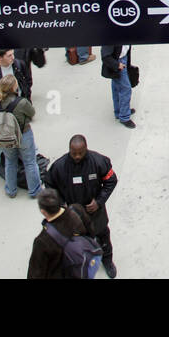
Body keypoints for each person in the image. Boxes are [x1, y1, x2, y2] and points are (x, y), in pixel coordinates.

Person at [46, 136, 119, 279]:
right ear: (69, 150)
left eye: (81, 153)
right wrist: (62, 205)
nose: (77, 156)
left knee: (103, 236)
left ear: (86, 148)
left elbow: (111, 180)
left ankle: (107, 260)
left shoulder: (98, 161)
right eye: (74, 153)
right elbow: (49, 186)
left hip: (95, 214)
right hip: (72, 216)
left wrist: (99, 202)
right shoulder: (59, 167)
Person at [27, 188, 92, 279]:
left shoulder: (42, 241)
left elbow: (36, 274)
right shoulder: (77, 210)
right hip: (80, 266)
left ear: (43, 212)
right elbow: (90, 232)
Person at [99, 45, 137, 129]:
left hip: (123, 59)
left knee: (116, 87)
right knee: (126, 89)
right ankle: (124, 117)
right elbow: (105, 56)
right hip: (118, 63)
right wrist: (117, 65)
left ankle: (120, 111)